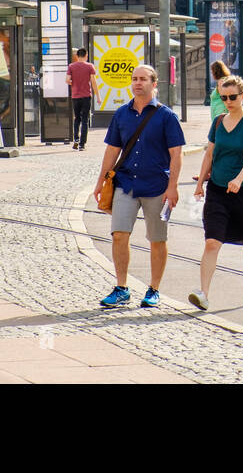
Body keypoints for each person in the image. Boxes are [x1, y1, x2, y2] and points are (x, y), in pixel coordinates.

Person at [92, 64, 185, 308]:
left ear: (154, 84)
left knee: (157, 239)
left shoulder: (167, 116)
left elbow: (176, 154)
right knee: (119, 235)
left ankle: (154, 289)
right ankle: (121, 287)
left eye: (143, 79)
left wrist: (173, 186)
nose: (137, 83)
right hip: (126, 184)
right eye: (134, 79)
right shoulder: (121, 114)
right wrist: (101, 181)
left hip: (157, 185)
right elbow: (112, 149)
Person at [191, 75, 243, 310]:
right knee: (212, 241)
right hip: (217, 191)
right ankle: (203, 293)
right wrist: (200, 182)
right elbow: (209, 154)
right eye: (224, 97)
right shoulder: (218, 123)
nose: (228, 101)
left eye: (233, 97)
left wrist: (238, 179)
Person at [66, 47, 98, 150]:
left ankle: (76, 139)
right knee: (85, 120)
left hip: (75, 96)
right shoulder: (90, 66)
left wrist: (74, 83)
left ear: (77, 56)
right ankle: (82, 144)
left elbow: (67, 80)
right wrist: (98, 96)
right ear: (86, 55)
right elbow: (93, 82)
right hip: (86, 96)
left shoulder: (71, 66)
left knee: (77, 119)